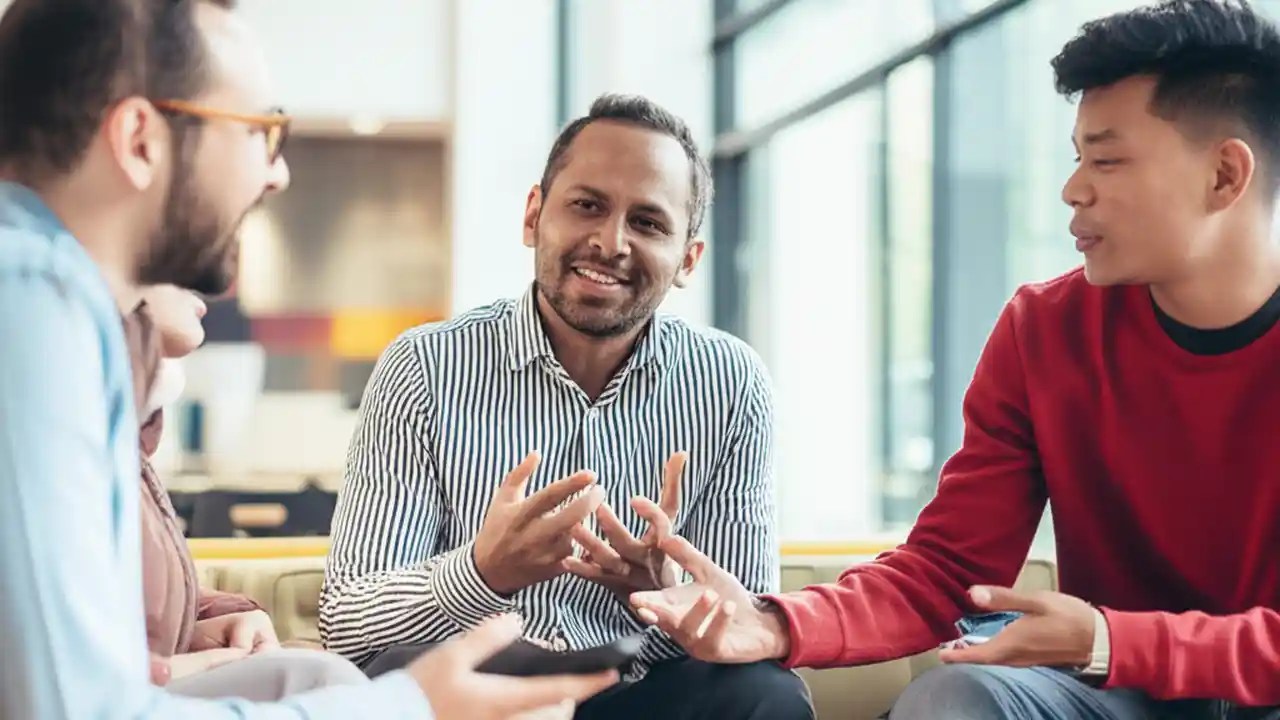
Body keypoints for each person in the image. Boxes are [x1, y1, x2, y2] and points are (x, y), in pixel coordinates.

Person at [625, 1, 1280, 718]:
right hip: (1118, 696)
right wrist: (776, 621)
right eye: (1076, 158)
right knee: (958, 699)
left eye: (1108, 159)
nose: (1073, 188)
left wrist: (1110, 638)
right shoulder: (1045, 331)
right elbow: (949, 570)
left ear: (1225, 176)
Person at [0, 0, 617, 718]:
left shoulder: (59, 306)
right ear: (141, 138)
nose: (278, 174)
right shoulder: (32, 301)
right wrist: (412, 708)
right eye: (262, 132)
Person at [320, 94, 814, 720]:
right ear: (534, 216)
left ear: (687, 259)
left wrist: (664, 593)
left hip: (640, 689)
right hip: (476, 690)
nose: (610, 243)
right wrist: (481, 572)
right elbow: (349, 623)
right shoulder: (423, 367)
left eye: (649, 223)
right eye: (587, 206)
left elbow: (741, 629)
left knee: (766, 696)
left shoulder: (732, 381)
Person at [129, 284, 374, 698]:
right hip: (114, 695)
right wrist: (169, 667)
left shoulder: (126, 434)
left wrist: (213, 621)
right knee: (324, 682)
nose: (203, 285)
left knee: (316, 668)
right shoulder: (65, 428)